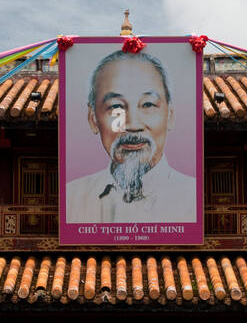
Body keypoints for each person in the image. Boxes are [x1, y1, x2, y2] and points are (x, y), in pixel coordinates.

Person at [65, 50, 197, 224]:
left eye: (148, 104)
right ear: (93, 119)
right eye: (116, 106)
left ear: (170, 115)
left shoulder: (194, 196)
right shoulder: (71, 198)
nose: (133, 125)